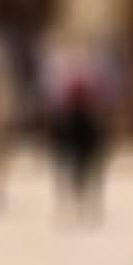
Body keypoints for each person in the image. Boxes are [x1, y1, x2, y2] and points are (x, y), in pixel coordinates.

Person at [39, 33, 115, 223]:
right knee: (67, 160)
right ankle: (72, 198)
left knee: (90, 161)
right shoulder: (59, 65)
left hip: (89, 118)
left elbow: (106, 91)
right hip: (68, 118)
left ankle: (87, 199)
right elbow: (53, 92)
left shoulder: (97, 65)